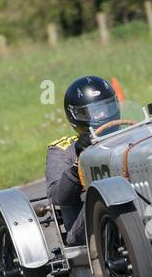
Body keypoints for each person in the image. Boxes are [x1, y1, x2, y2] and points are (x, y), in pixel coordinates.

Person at [45, 75, 122, 246]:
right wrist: (78, 163)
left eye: (107, 108)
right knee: (106, 192)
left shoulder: (130, 135)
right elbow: (57, 197)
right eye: (94, 111)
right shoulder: (62, 150)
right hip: (85, 229)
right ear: (76, 115)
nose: (103, 115)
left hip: (135, 213)